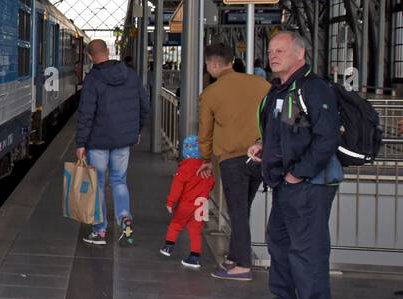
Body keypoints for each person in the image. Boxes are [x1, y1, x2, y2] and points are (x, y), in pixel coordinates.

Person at [248, 31, 343, 299]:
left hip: (309, 184)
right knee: (279, 241)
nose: (273, 55)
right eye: (272, 50)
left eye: (281, 51)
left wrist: (299, 173)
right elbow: (288, 131)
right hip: (286, 183)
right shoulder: (280, 90)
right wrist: (262, 146)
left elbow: (327, 137)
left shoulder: (313, 89)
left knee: (307, 248)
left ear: (299, 54)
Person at [198, 42, 271, 282]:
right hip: (260, 157)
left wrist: (205, 159)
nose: (208, 69)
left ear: (215, 64)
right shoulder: (262, 85)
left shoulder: (211, 93)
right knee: (243, 209)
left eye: (208, 64)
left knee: (237, 211)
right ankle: (233, 256)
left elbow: (205, 132)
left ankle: (242, 266)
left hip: (232, 160)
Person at [75, 39, 151, 246]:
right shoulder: (131, 75)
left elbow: (86, 115)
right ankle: (124, 219)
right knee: (119, 180)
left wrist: (80, 143)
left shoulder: (92, 80)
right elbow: (145, 107)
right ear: (108, 52)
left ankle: (99, 231)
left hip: (98, 142)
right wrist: (136, 131)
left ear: (90, 57)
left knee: (97, 184)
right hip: (123, 140)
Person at [161, 134, 214, 269]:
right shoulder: (206, 168)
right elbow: (212, 183)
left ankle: (168, 247)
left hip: (187, 204)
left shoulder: (185, 167)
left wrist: (170, 202)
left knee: (175, 224)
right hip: (202, 204)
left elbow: (177, 186)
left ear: (186, 151)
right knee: (196, 232)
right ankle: (195, 257)